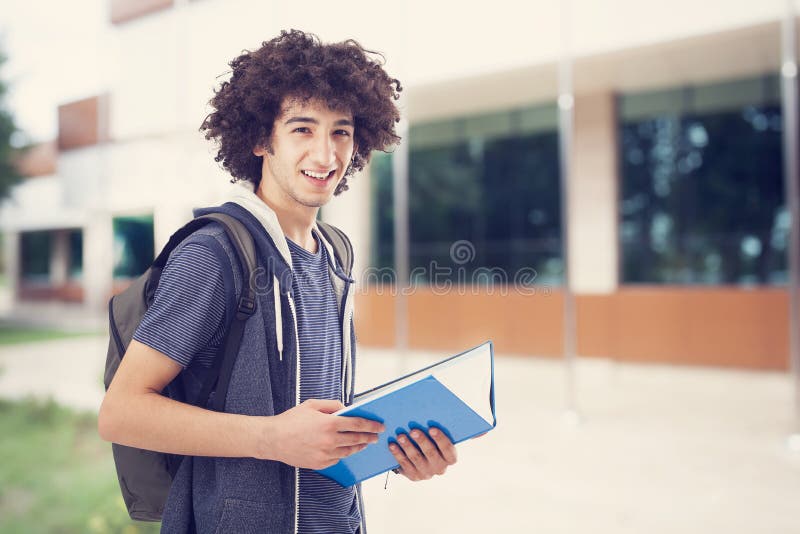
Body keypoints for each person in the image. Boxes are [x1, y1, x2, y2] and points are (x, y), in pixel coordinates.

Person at [98, 30, 458, 534]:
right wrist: (271, 438)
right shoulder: (215, 255)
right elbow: (120, 413)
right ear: (260, 139)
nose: (326, 155)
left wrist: (398, 451)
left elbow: (313, 424)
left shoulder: (335, 253)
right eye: (302, 129)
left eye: (341, 132)